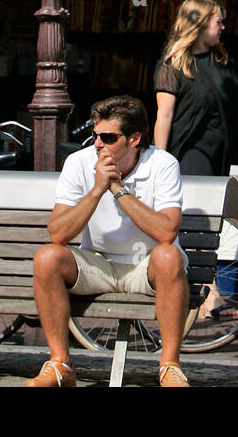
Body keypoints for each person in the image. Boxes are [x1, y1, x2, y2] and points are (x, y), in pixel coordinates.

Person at [26, 94, 191, 388]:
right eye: (95, 135)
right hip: (99, 264)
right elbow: (58, 234)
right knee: (47, 257)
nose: (98, 144)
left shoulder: (163, 165)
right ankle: (61, 364)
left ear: (134, 139)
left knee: (169, 256)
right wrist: (97, 189)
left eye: (108, 137)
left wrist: (117, 189)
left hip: (146, 265)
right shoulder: (79, 163)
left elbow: (167, 233)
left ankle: (169, 367)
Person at [153, 0, 238, 176]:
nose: (223, 28)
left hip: (226, 151)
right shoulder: (174, 65)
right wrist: (160, 160)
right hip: (192, 151)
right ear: (201, 25)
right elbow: (164, 115)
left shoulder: (224, 61)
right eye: (218, 23)